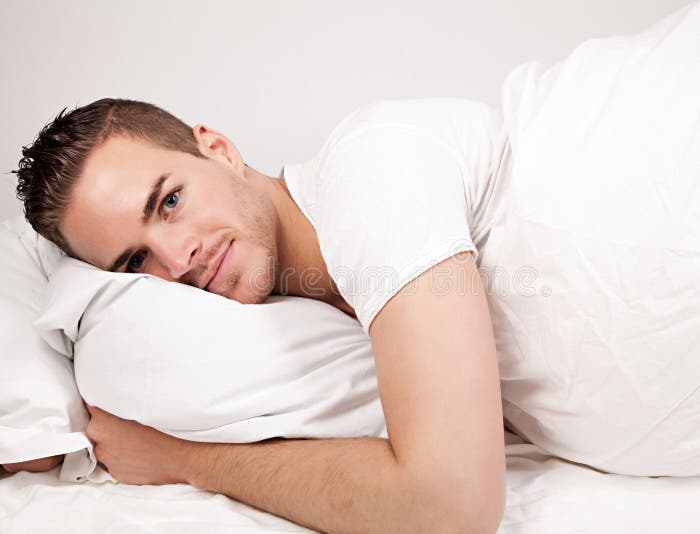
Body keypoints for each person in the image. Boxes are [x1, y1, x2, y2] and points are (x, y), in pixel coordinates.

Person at [10, 97, 512, 534]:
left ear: (219, 150)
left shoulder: (371, 173)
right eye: (137, 261)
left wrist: (181, 458)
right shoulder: (317, 309)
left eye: (170, 202)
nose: (178, 259)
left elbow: (452, 505)